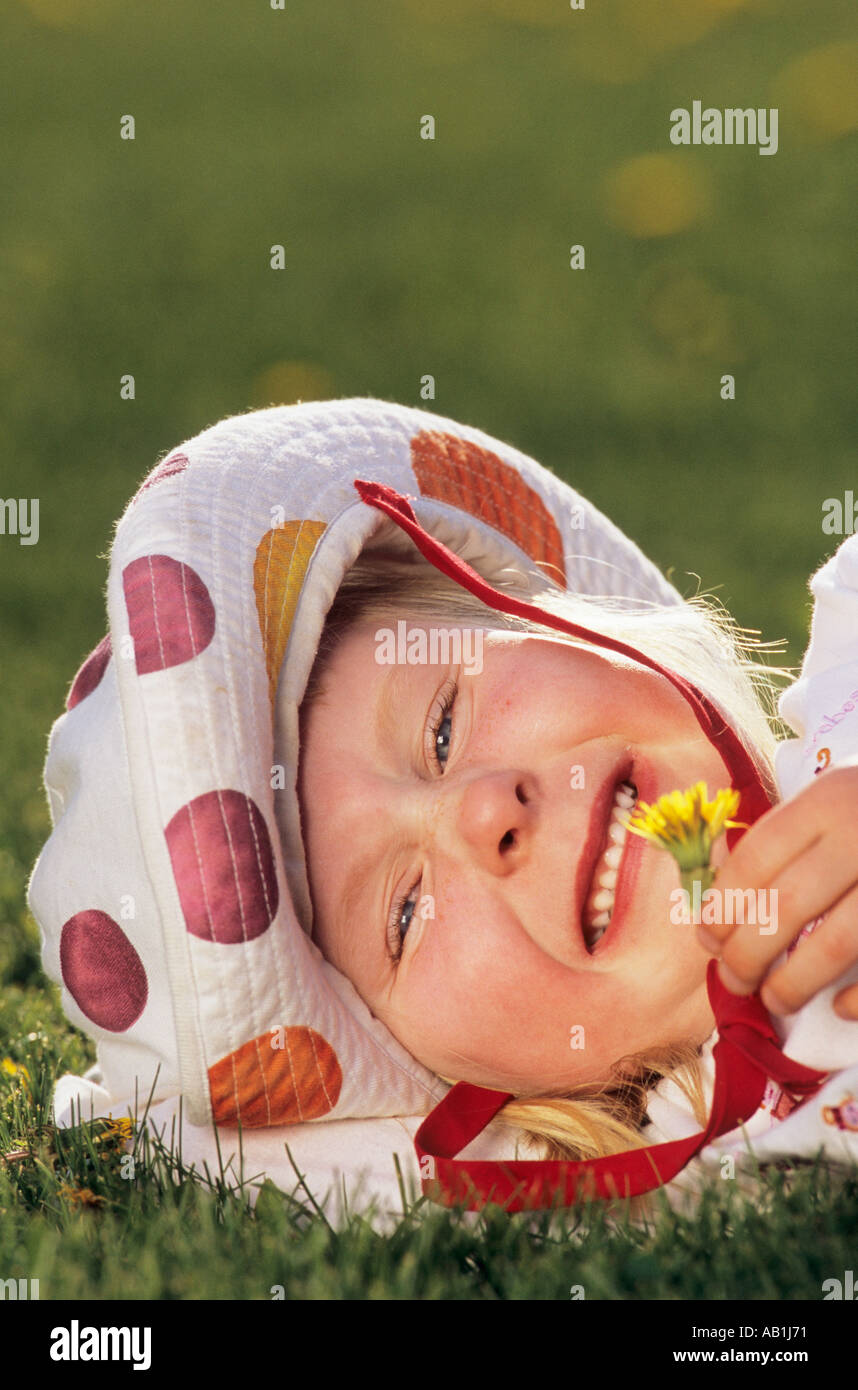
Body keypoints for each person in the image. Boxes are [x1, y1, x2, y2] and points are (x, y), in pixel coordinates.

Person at [26, 397, 858, 1225]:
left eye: (444, 724)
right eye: (406, 913)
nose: (480, 810)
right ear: (454, 1081)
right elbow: (276, 1153)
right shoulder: (685, 1168)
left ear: (555, 621)